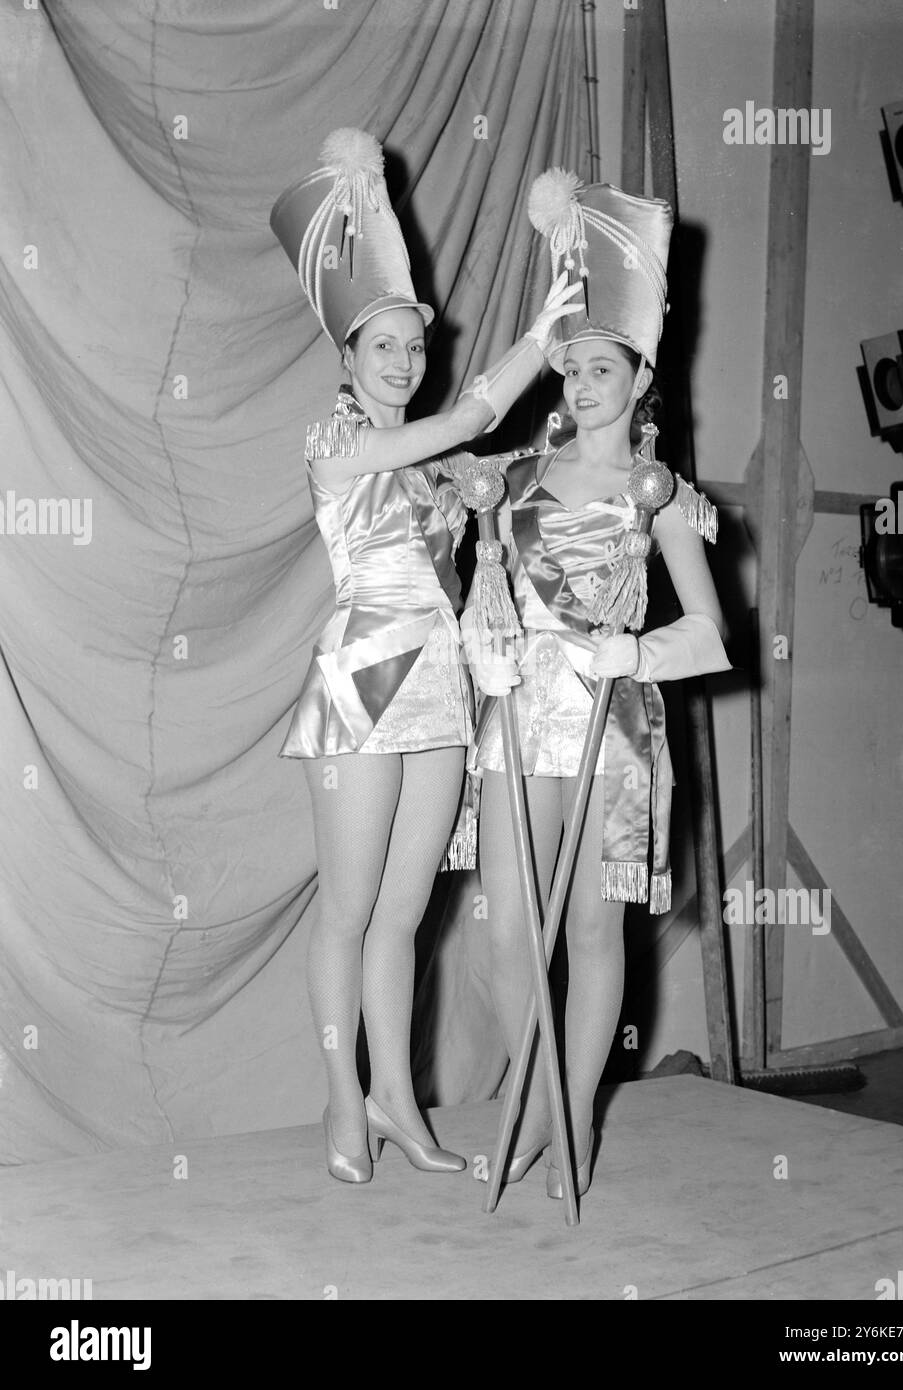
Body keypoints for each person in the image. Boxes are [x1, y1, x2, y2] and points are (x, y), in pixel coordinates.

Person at [270, 130, 582, 1184]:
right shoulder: (336, 443)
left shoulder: (429, 461)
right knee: (348, 911)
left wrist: (556, 322)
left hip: (439, 690)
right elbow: (479, 410)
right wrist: (544, 323)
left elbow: (486, 442)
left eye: (412, 344)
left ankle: (397, 1101)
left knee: (406, 913)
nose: (403, 361)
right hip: (363, 685)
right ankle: (337, 1104)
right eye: (382, 347)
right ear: (347, 359)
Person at [464, 170, 731, 1200]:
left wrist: (636, 654)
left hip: (613, 722)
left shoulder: (660, 494)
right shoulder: (518, 477)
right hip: (519, 709)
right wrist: (487, 644)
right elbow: (473, 558)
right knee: (505, 931)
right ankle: (529, 1100)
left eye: (599, 367)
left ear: (637, 375)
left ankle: (569, 1119)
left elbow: (710, 634)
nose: (579, 384)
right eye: (569, 367)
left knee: (589, 929)